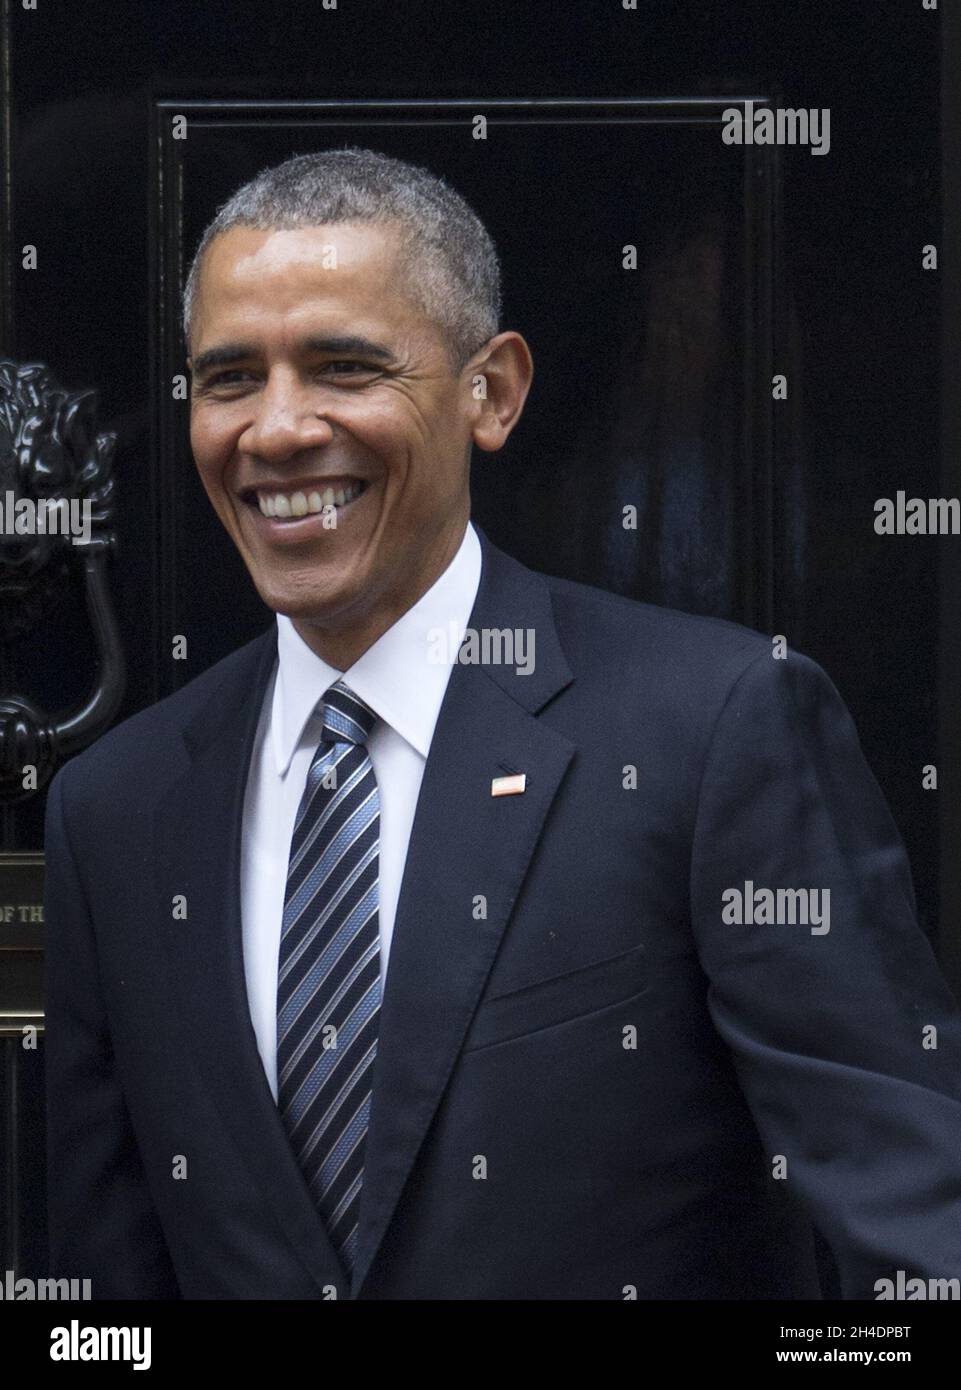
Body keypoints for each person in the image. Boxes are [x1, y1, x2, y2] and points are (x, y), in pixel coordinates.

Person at [44, 146, 961, 1300]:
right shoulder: (114, 810)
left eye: (343, 366)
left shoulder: (715, 730)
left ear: (492, 391)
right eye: (229, 378)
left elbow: (919, 1225)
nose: (275, 430)